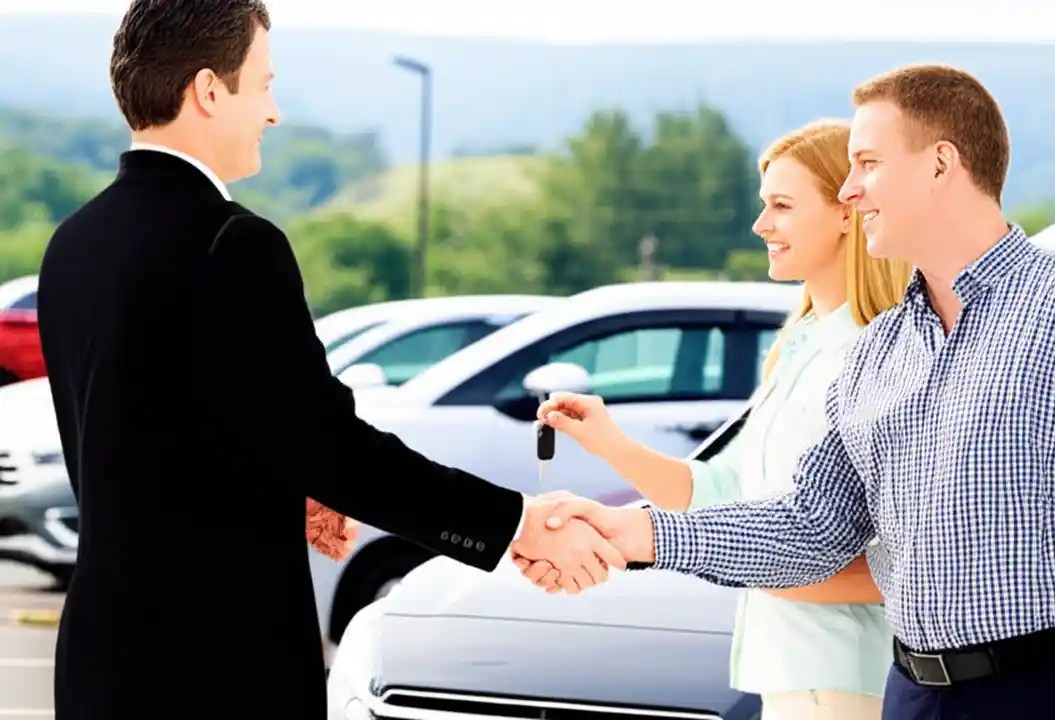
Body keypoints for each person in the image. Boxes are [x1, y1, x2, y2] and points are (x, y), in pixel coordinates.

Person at [534, 64, 1055, 720]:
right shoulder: (876, 352)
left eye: (868, 163)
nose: (850, 190)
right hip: (910, 694)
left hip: (1049, 694)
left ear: (941, 165)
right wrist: (636, 532)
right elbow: (811, 528)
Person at [36, 2, 621, 717]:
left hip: (98, 661)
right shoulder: (234, 244)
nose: (273, 112)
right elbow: (331, 447)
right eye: (264, 85)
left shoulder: (72, 244)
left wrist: (297, 481)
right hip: (215, 669)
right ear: (209, 90)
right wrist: (516, 523)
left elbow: (158, 436)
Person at [522, 120, 912, 719]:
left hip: (845, 681)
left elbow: (898, 561)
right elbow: (718, 493)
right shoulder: (801, 344)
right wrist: (609, 444)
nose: (761, 225)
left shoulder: (873, 354)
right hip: (793, 676)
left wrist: (706, 553)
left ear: (846, 211)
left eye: (782, 205)